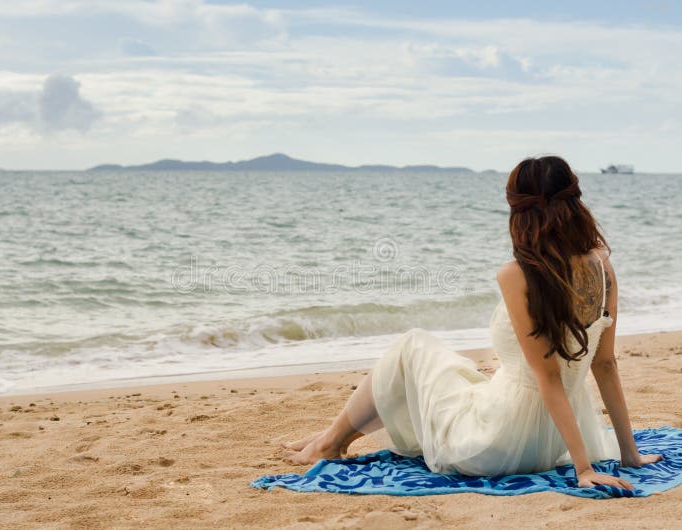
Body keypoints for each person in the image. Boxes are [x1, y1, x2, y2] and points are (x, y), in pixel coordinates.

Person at [282, 156, 662, 490]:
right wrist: (628, 454)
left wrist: (583, 470)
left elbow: (547, 378)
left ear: (519, 211)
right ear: (576, 202)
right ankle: (331, 436)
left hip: (497, 443)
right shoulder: (602, 266)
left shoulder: (517, 274)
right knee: (456, 376)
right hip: (557, 441)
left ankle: (332, 442)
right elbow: (605, 363)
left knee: (412, 346)